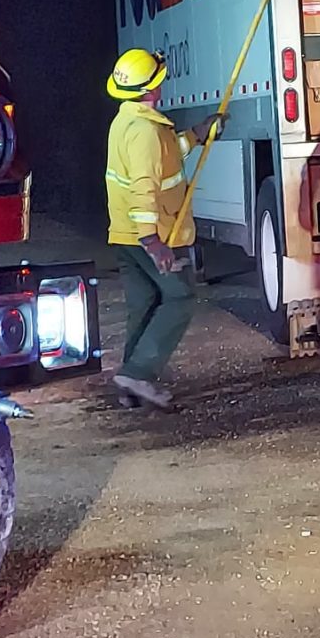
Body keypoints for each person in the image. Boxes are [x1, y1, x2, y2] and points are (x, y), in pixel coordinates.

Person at [104, 47, 217, 409]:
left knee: (144, 302)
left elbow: (164, 155)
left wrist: (198, 135)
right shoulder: (145, 131)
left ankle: (129, 382)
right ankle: (139, 373)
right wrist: (153, 241)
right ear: (152, 87)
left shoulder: (129, 122)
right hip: (153, 235)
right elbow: (144, 186)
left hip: (125, 235)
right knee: (180, 298)